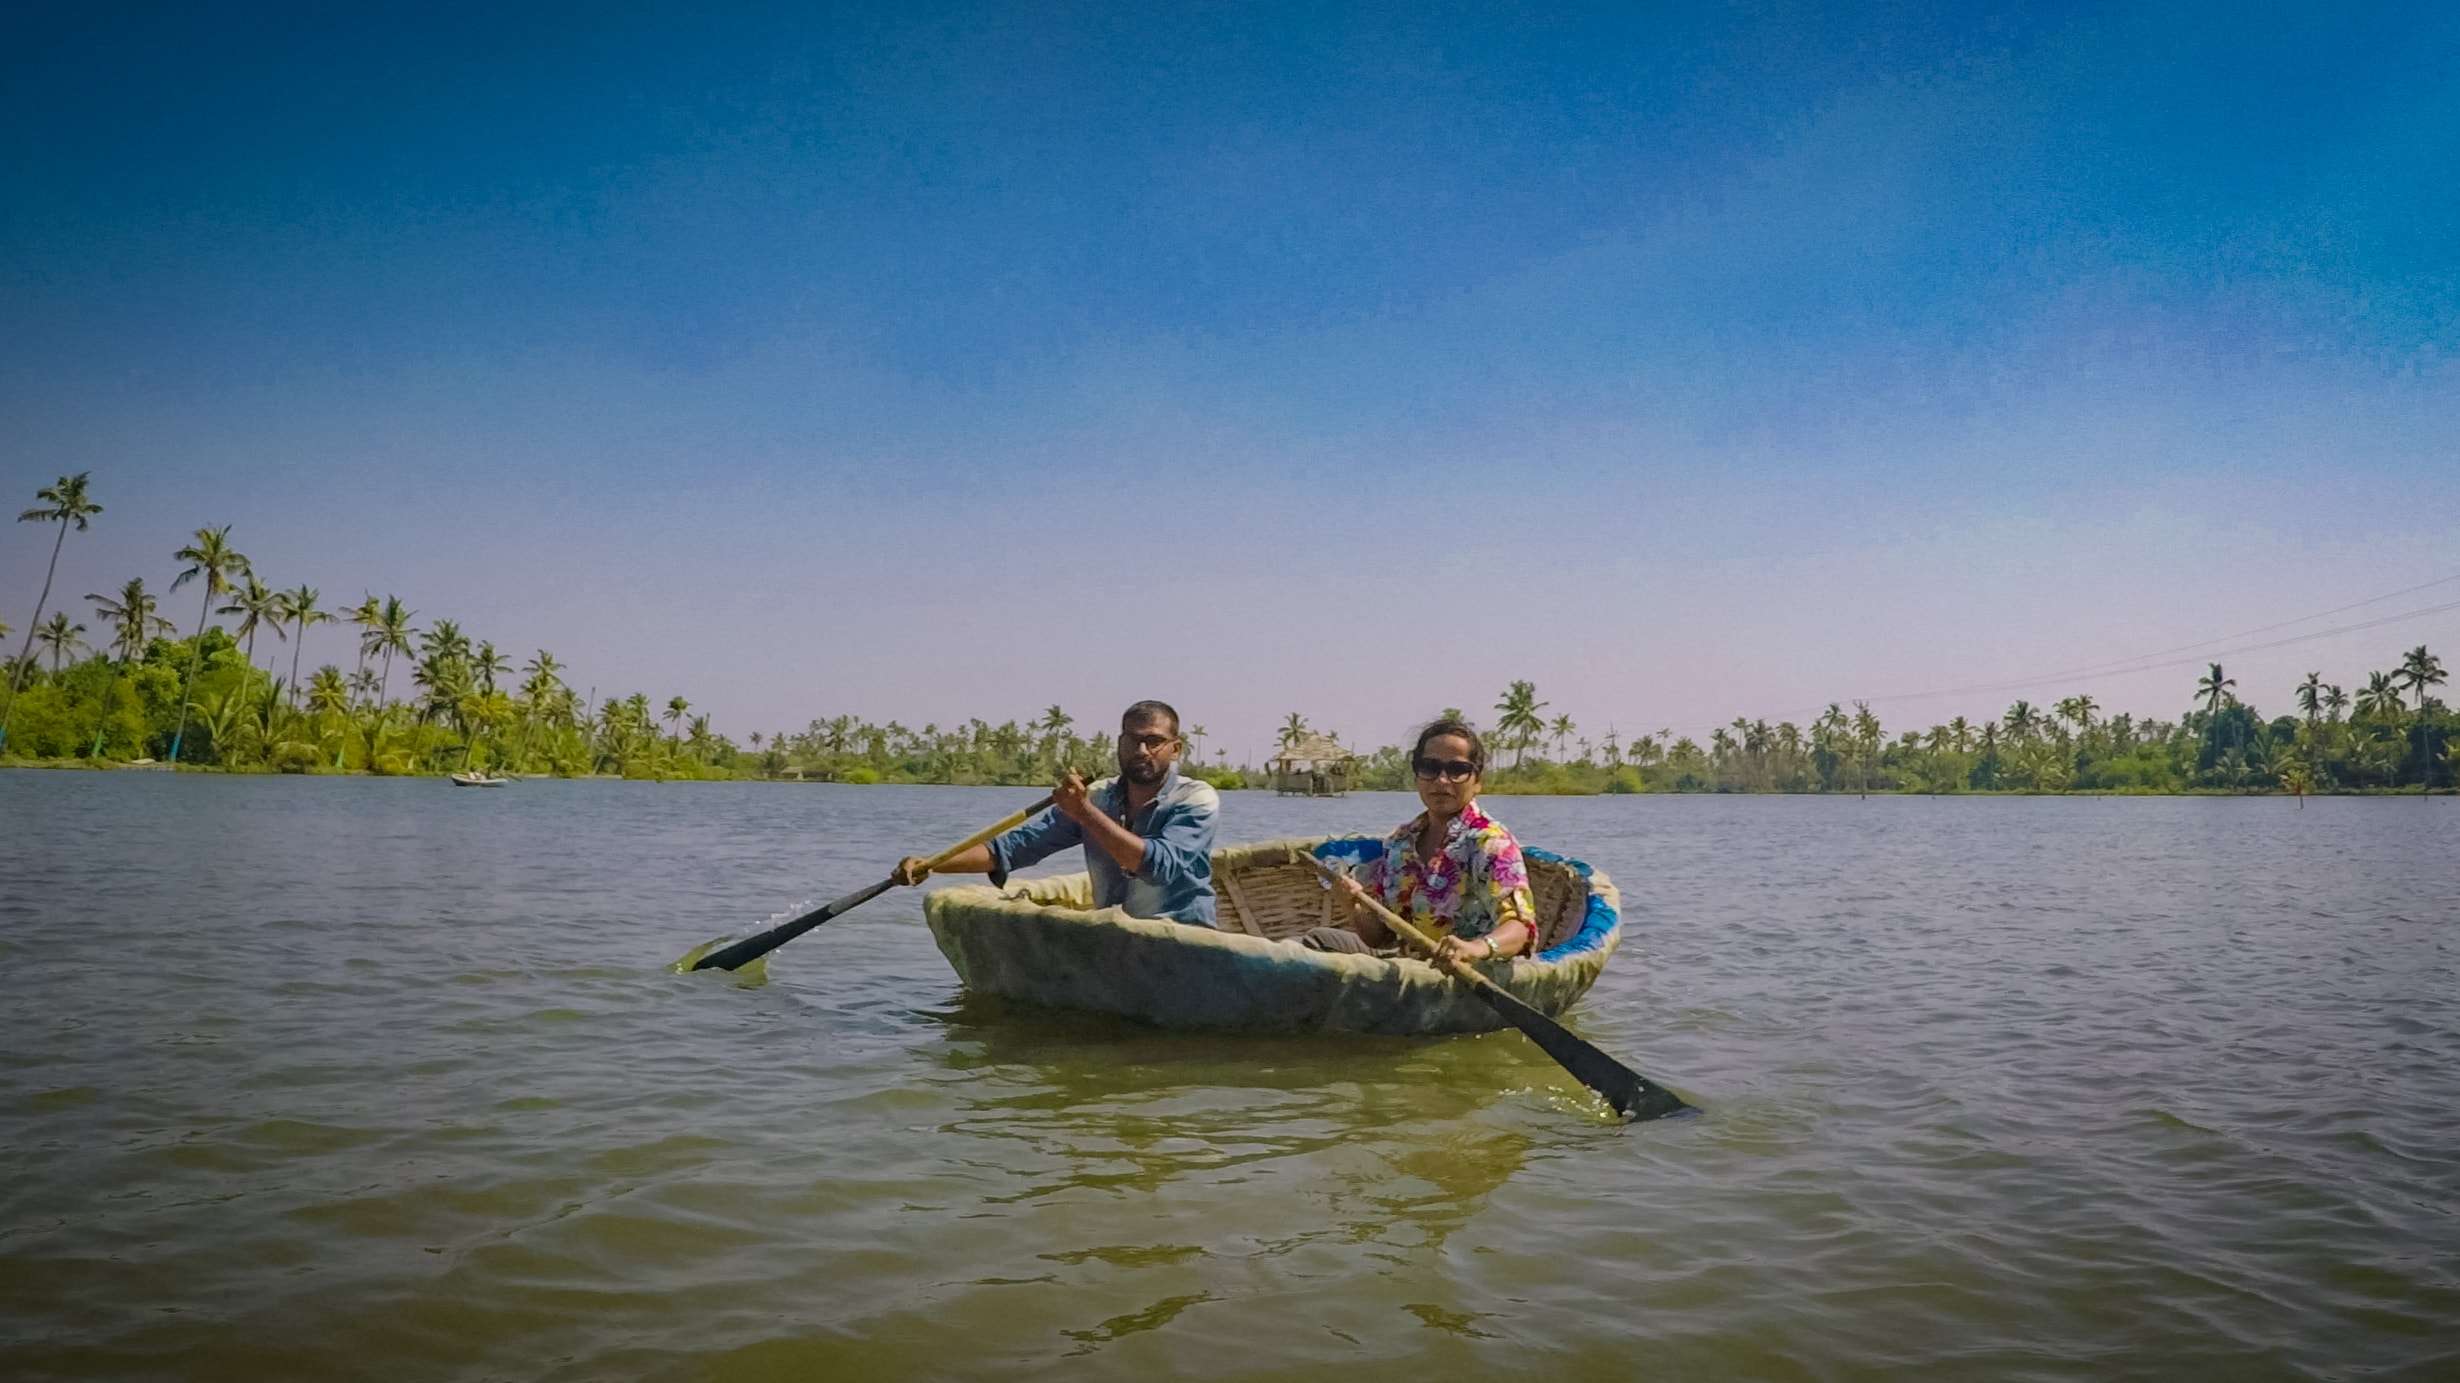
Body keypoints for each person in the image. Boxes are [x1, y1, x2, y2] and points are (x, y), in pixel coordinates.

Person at [895, 700, 1220, 926]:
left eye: (1154, 742)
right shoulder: (1100, 798)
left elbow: (1157, 866)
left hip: (1181, 935)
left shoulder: (1195, 799)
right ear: (1119, 742)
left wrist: (1084, 812)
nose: (1141, 751)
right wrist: (932, 864)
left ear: (1175, 749)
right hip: (1119, 937)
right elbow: (1012, 848)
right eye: (1132, 740)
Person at [1304, 717, 1537, 963]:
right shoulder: (1400, 842)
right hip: (1409, 964)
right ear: (1417, 776)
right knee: (1315, 941)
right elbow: (1380, 938)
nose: (1442, 780)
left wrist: (1477, 948)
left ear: (1477, 781)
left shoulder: (1490, 842)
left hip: (1470, 969)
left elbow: (1521, 927)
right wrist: (1352, 905)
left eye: (1457, 770)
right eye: (1430, 768)